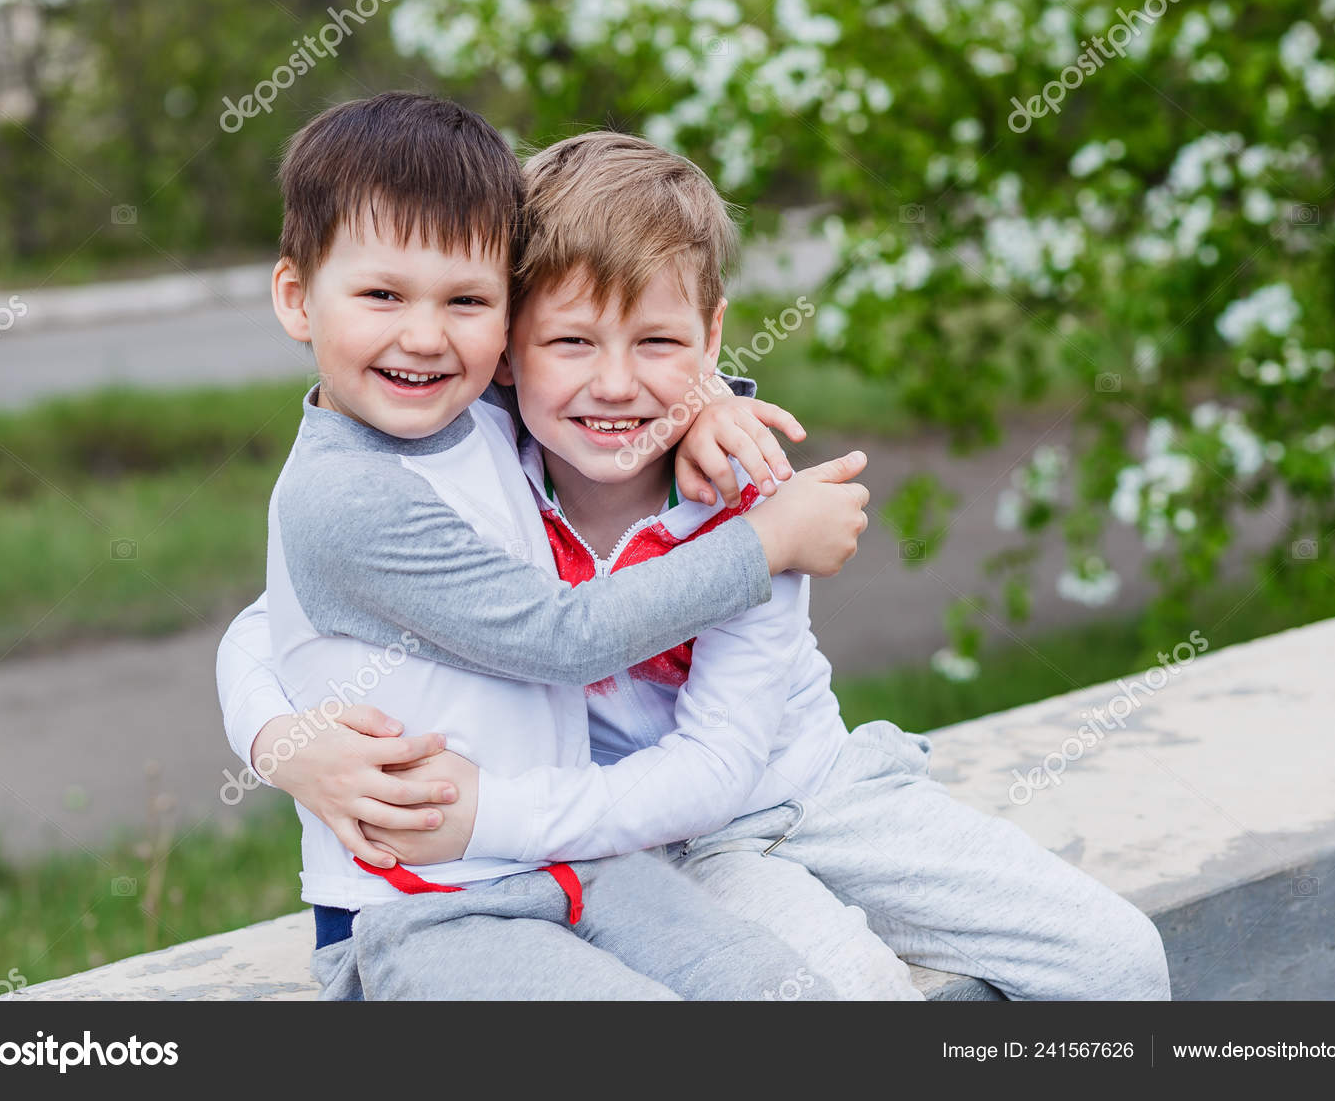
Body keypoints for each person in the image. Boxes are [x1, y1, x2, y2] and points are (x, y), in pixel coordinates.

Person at [224, 126, 1173, 1001]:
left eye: (662, 345)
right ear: (511, 346)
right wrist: (284, 743)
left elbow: (716, 761)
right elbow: (277, 617)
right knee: (853, 994)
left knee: (1117, 959)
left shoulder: (755, 495)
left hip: (800, 789)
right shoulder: (479, 453)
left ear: (711, 338)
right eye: (568, 342)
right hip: (659, 848)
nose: (614, 384)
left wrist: (742, 487)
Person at [230, 92, 871, 999]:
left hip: (576, 865)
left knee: (778, 989)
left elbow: (608, 372)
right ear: (298, 298)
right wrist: (764, 542)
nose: (424, 334)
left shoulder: (475, 418)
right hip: (423, 903)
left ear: (503, 329)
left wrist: (710, 401)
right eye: (381, 294)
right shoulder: (345, 492)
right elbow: (562, 636)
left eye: (467, 300)